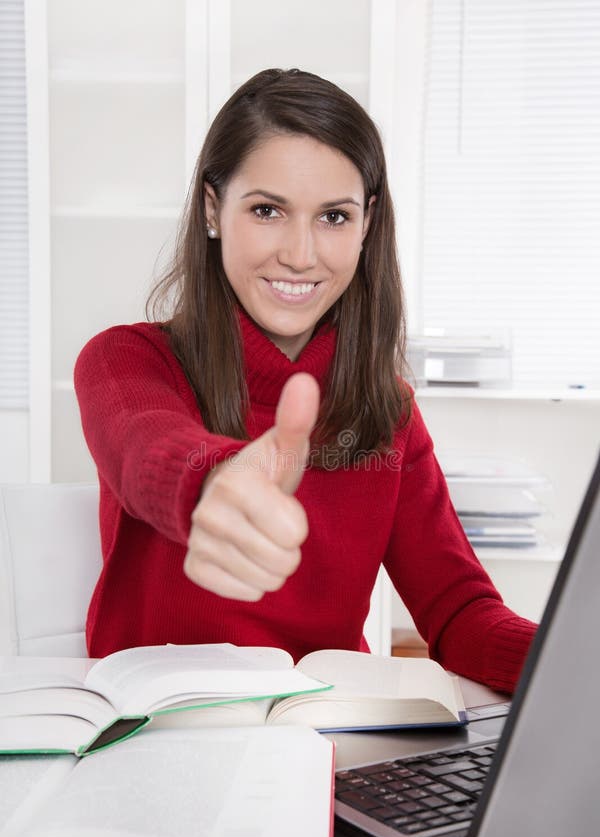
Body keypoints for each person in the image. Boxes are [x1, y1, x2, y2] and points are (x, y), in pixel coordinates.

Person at [74, 68, 536, 693]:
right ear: (213, 209)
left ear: (367, 223)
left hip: (325, 728)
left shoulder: (388, 411)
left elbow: (462, 613)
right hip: (160, 730)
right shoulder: (126, 360)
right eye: (267, 210)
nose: (299, 254)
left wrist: (573, 661)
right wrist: (212, 486)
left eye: (334, 217)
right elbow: (146, 445)